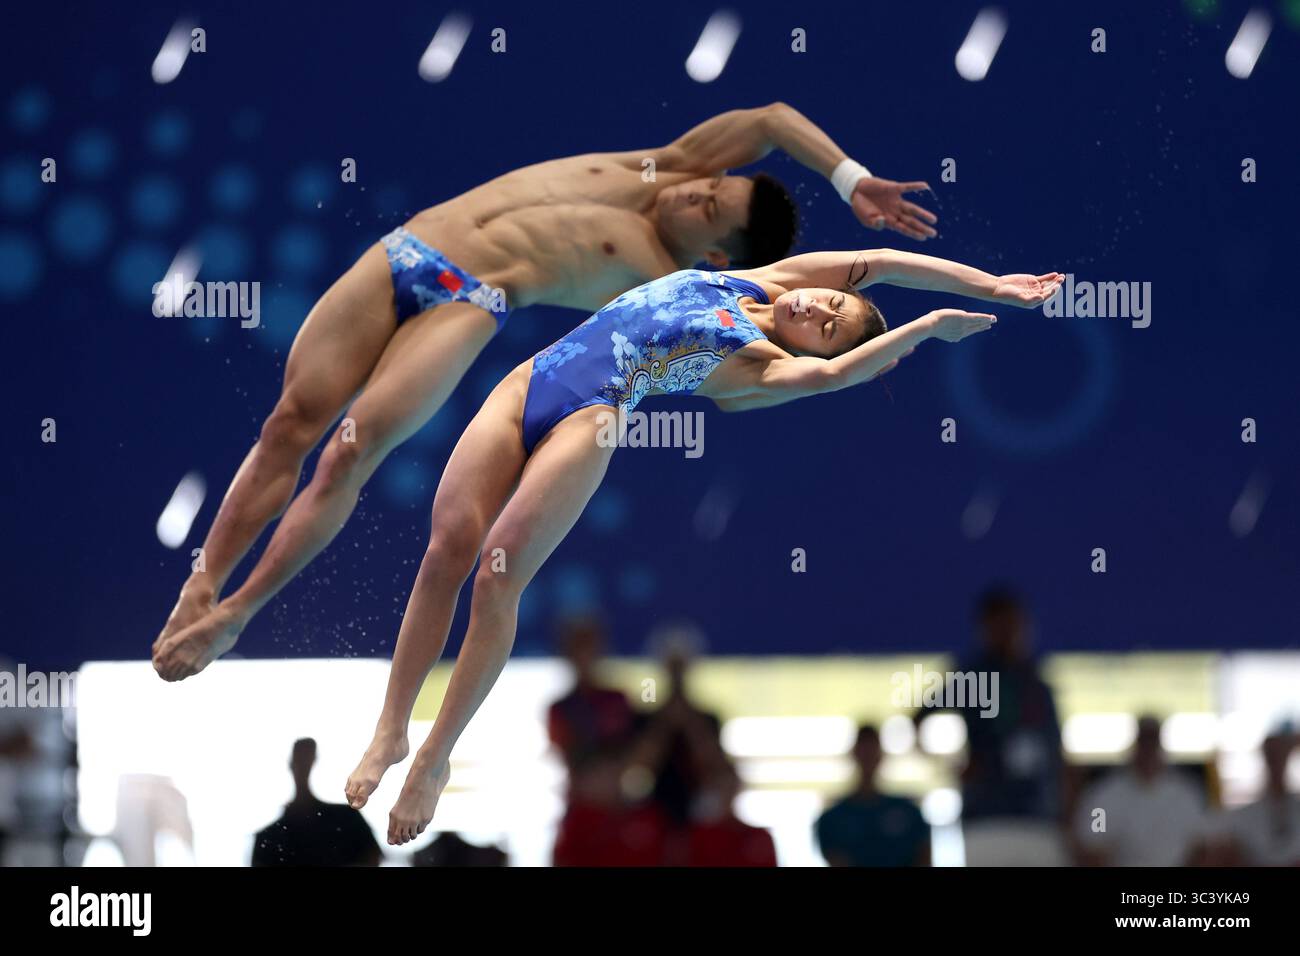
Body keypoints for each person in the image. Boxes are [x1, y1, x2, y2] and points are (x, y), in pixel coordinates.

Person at [152, 103, 939, 681]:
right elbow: (771, 118)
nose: (695, 195)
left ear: (714, 252)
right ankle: (204, 578)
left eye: (708, 212)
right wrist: (852, 177)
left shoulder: (692, 289)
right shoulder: (665, 162)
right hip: (406, 249)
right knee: (291, 423)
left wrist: (903, 330)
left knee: (345, 458)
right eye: (710, 188)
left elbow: (804, 356)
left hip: (470, 301)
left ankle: (236, 613)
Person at [344, 246, 1061, 844]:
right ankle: (390, 731)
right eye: (829, 303)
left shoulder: (763, 367)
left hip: (590, 417)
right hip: (529, 379)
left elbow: (839, 373)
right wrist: (991, 282)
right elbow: (878, 263)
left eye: (826, 326)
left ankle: (435, 755)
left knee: (496, 580)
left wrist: (929, 327)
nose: (816, 311)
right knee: (446, 553)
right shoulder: (764, 281)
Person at [1071, 715, 1207, 867]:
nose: (1148, 751)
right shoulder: (1104, 798)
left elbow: (1202, 844)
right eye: (1144, 742)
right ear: (1135, 745)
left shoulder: (1186, 795)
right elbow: (1093, 843)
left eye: (1152, 742)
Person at [251, 738, 381, 866]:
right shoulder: (269, 837)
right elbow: (372, 856)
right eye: (299, 761)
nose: (302, 768)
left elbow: (372, 856)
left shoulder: (347, 818)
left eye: (304, 761)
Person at [816, 726, 929, 867]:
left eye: (871, 751)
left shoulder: (909, 813)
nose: (868, 757)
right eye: (864, 751)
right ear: (854, 754)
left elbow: (924, 857)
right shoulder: (831, 820)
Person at [1220, 727, 1299, 866]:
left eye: (1279, 756)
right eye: (1272, 756)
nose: (1276, 763)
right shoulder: (1244, 816)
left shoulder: (1294, 808)